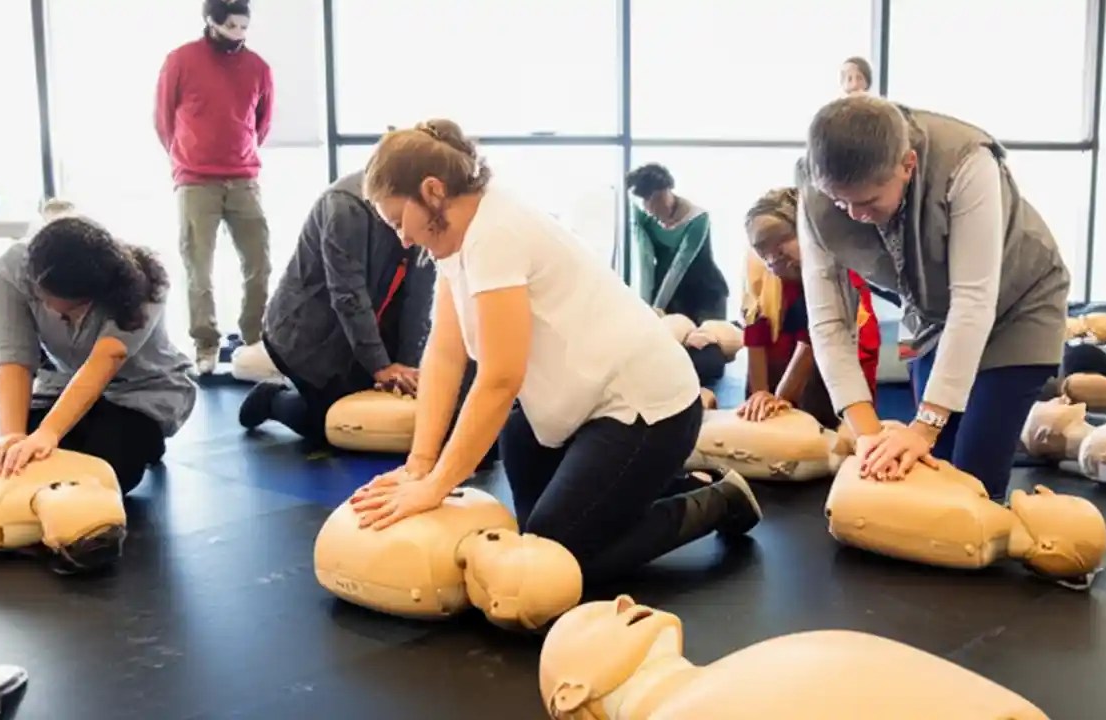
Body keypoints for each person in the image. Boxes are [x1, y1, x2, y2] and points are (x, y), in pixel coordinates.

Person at [346, 120, 761, 584]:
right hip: (569, 405)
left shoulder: (495, 232)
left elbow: (500, 378)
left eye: (400, 221)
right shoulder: (455, 237)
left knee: (557, 561)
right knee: (535, 541)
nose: (402, 239)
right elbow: (444, 353)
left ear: (433, 190)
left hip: (644, 407)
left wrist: (438, 486)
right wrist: (418, 467)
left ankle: (716, 499)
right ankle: (665, 483)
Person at [797, 94, 1070, 500]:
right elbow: (829, 321)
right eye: (840, 202)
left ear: (907, 165)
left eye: (868, 202)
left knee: (972, 478)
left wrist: (924, 425)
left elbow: (974, 300)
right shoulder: (814, 189)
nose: (852, 216)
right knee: (924, 470)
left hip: (1021, 306)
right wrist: (866, 434)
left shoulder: (966, 161)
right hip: (931, 315)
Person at [0, 217, 198, 494]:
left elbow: (105, 359)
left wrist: (48, 433)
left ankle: (147, 440)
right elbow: (15, 360)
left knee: (103, 475)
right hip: (62, 385)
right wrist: (12, 438)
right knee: (24, 461)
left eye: (72, 310)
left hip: (140, 391)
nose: (56, 315)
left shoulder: (145, 281)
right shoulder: (10, 270)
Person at [238, 170, 435, 445]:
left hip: (365, 331)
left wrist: (405, 370)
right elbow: (347, 295)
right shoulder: (345, 206)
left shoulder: (431, 212)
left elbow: (419, 299)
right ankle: (271, 400)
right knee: (330, 424)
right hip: (306, 336)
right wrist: (380, 366)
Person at [154, 0, 273, 375]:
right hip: (195, 180)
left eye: (244, 27)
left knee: (259, 263)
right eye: (232, 27)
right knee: (198, 268)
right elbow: (163, 119)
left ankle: (254, 340)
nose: (239, 34)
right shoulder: (180, 60)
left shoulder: (258, 67)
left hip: (244, 178)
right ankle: (205, 345)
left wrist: (242, 154)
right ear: (212, 22)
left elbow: (262, 122)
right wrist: (185, 159)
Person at [739, 187, 881, 428]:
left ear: (805, 233)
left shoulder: (837, 268)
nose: (773, 260)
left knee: (825, 423)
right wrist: (760, 396)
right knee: (759, 418)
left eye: (781, 247)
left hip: (834, 352)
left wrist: (780, 400)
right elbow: (755, 333)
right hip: (782, 351)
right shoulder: (758, 268)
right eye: (764, 253)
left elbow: (817, 337)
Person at [626, 163, 730, 324]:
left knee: (705, 341)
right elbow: (645, 261)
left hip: (704, 293)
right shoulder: (642, 216)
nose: (652, 207)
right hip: (667, 293)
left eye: (657, 199)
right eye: (646, 202)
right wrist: (646, 309)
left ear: (668, 190)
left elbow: (679, 266)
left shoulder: (697, 218)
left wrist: (658, 308)